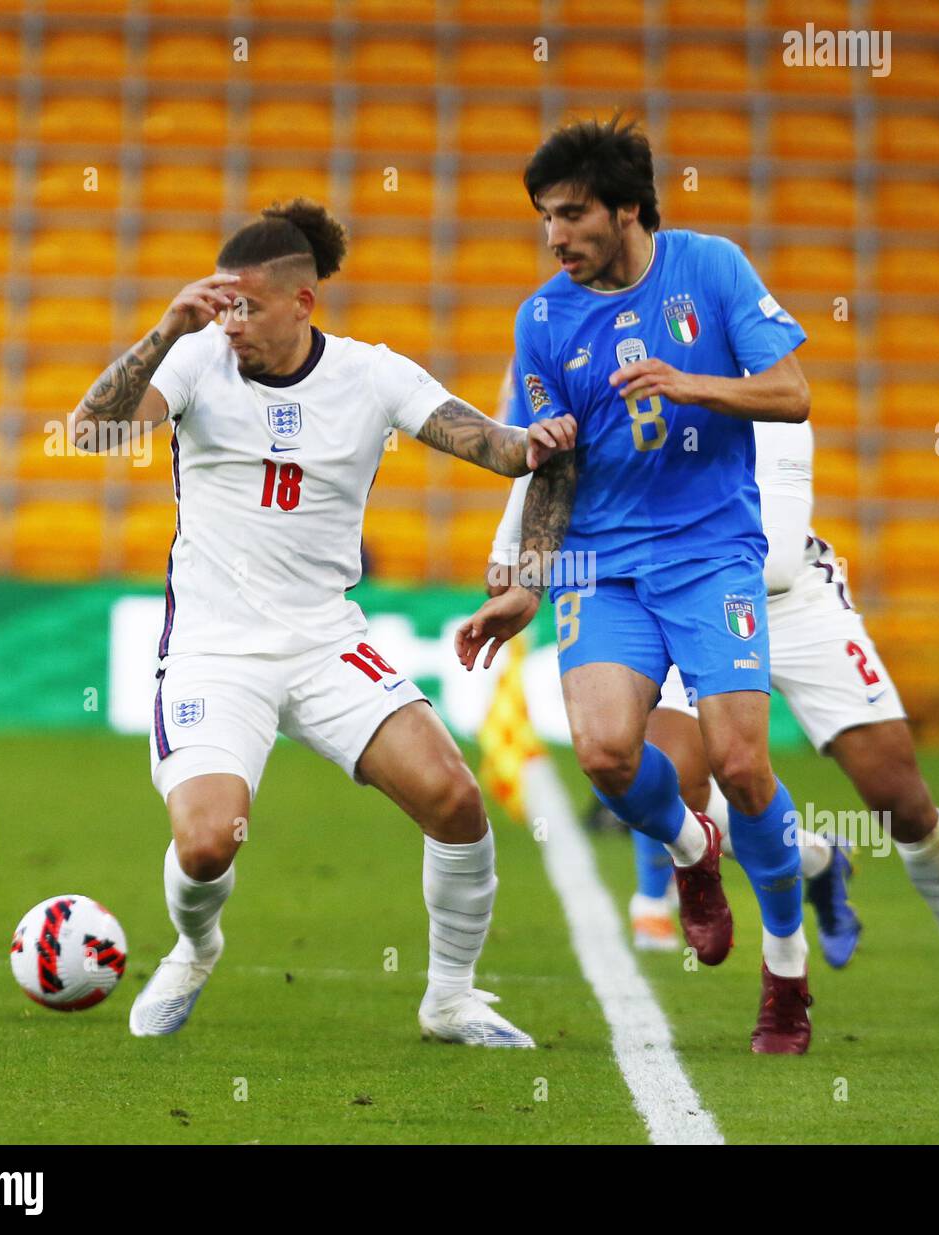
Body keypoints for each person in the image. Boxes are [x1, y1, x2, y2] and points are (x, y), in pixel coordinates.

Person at [68, 198, 576, 1047]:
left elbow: (492, 446)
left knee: (454, 797)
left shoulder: (373, 376)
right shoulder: (195, 361)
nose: (232, 326)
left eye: (249, 309)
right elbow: (87, 434)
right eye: (223, 307)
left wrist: (534, 442)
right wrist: (165, 328)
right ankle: (196, 948)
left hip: (327, 641)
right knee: (204, 844)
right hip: (213, 648)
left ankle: (450, 998)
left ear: (303, 303)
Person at [455, 116, 818, 1054]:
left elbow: (792, 393)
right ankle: (693, 853)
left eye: (572, 215)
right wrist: (527, 582)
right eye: (545, 218)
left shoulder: (712, 269)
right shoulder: (542, 319)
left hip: (711, 553)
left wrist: (695, 385)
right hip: (600, 563)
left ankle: (786, 970)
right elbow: (552, 469)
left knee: (742, 765)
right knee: (606, 754)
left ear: (626, 210)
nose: (555, 235)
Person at [491, 403, 939, 1011]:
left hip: (782, 604)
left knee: (897, 799)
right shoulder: (614, 384)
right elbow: (542, 462)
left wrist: (641, 545)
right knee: (667, 778)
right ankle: (814, 861)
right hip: (669, 600)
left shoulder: (769, 405)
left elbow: (780, 560)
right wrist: (513, 557)